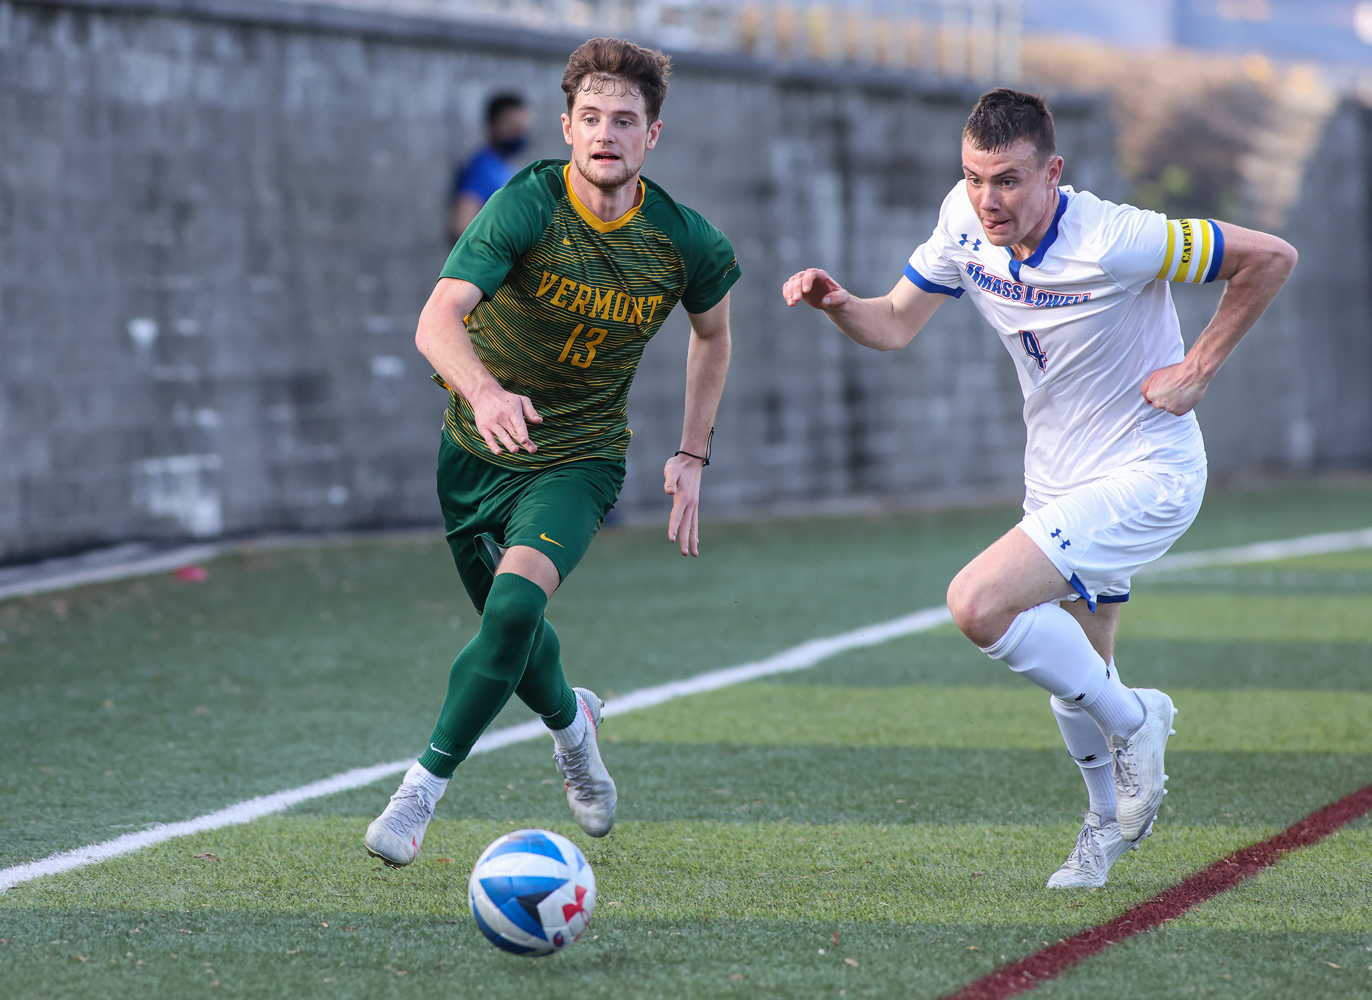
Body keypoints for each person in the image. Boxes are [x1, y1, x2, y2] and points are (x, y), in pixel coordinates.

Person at [782, 88, 1295, 889]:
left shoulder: (1117, 238)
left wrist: (1197, 368)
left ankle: (1139, 720)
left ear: (1053, 172)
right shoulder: (962, 221)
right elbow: (893, 322)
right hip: (1057, 479)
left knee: (977, 604)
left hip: (1149, 473)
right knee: (1076, 670)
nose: (988, 199)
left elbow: (1270, 257)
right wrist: (840, 304)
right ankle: (1104, 824)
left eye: (1009, 180)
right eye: (974, 177)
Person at [366, 37, 740, 867]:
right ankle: (575, 728)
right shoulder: (525, 206)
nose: (608, 133)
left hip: (579, 458)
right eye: (592, 117)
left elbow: (712, 335)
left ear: (653, 135)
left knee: (510, 612)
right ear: (568, 128)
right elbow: (436, 319)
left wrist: (692, 452)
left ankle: (418, 793)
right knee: (514, 633)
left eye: (626, 120)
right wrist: (485, 393)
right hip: (474, 450)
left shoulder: (684, 241)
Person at [450, 92, 533, 243]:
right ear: (492, 124)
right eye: (511, 125)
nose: (518, 133)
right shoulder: (482, 168)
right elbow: (460, 228)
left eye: (522, 127)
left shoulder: (504, 167)